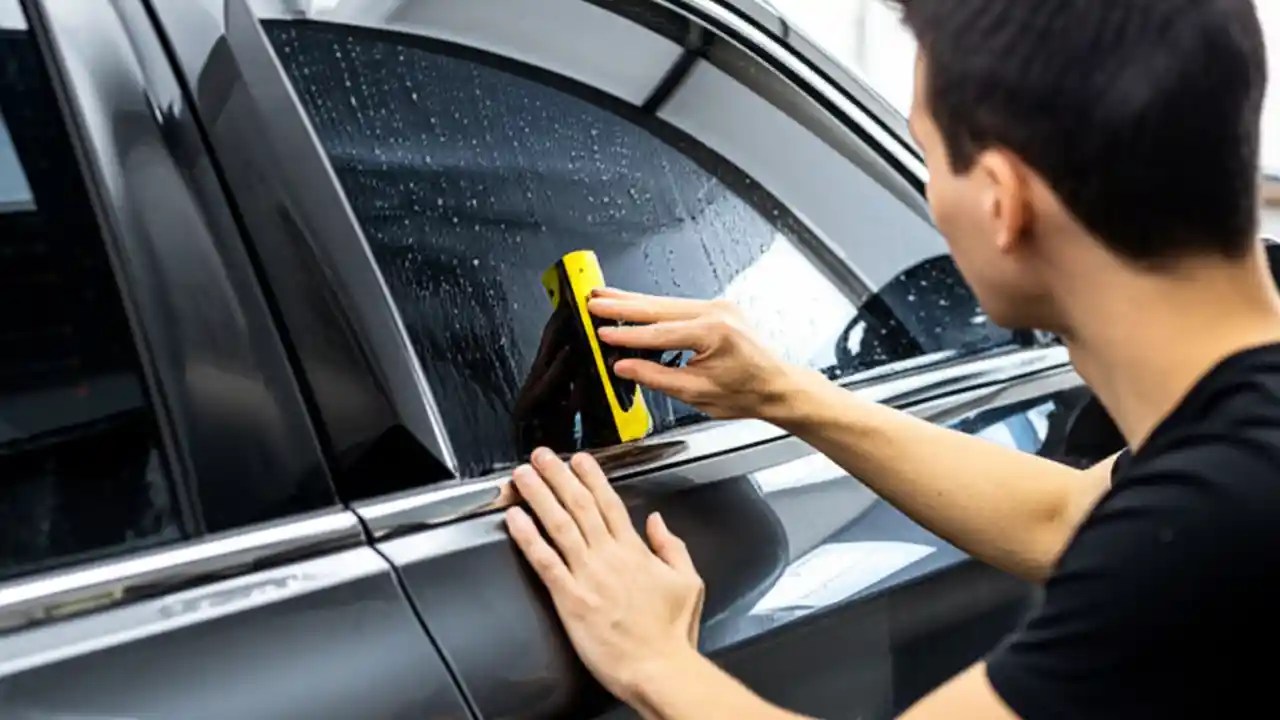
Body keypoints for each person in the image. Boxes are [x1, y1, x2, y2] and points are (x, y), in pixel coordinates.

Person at [501, 0, 1280, 717]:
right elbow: (1069, 515)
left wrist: (654, 660)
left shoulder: (1218, 518)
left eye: (932, 158)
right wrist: (783, 393)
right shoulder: (1233, 454)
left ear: (1002, 203)